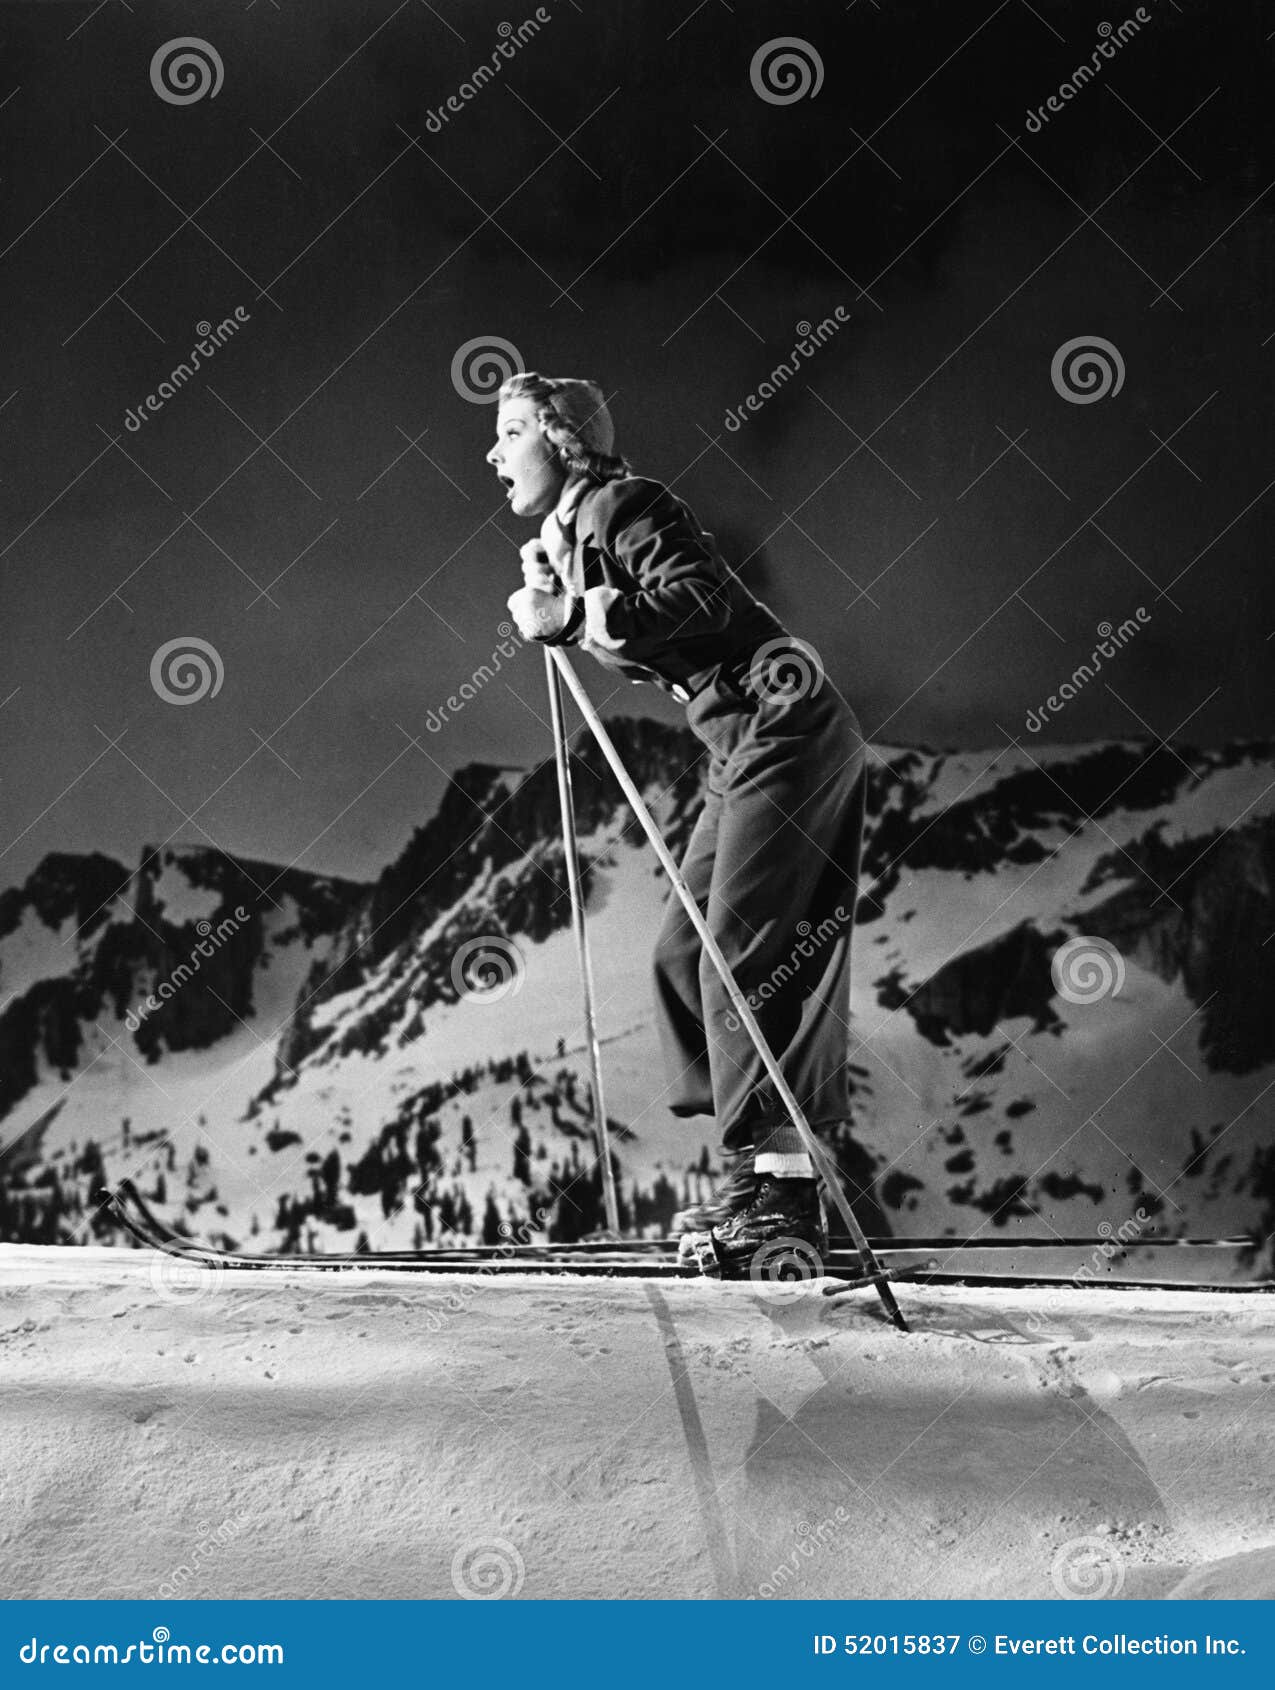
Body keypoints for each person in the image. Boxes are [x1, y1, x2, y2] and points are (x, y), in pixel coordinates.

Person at [492, 371, 869, 1276]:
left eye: (511, 431)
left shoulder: (626, 501)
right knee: (681, 955)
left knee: (740, 953)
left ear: (563, 436)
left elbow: (696, 598)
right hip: (742, 738)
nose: (495, 453)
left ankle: (780, 1197)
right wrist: (562, 590)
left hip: (783, 722)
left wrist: (577, 612)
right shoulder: (582, 529)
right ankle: (759, 1169)